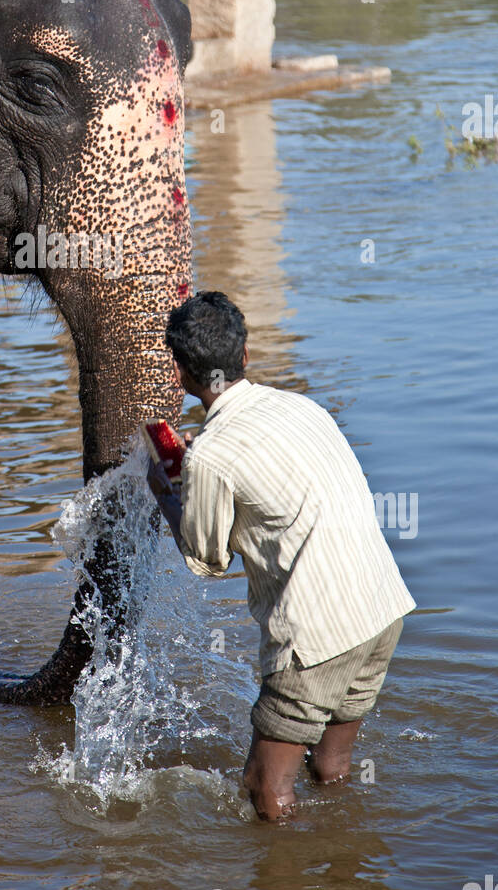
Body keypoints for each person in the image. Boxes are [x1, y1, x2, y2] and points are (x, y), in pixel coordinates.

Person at [147, 291, 415, 822]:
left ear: (179, 372)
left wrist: (164, 490)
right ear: (244, 355)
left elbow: (206, 561)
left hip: (318, 636)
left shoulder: (211, 453)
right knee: (332, 768)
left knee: (263, 789)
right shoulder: (302, 405)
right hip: (382, 609)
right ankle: (347, 867)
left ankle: (285, 886)